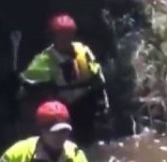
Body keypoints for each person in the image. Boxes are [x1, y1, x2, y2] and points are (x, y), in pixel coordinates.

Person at [20, 13, 110, 145]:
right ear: (53, 37)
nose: (66, 40)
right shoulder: (45, 59)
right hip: (62, 108)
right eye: (61, 36)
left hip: (86, 104)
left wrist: (103, 102)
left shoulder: (82, 51)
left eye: (69, 35)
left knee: (88, 141)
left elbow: (97, 77)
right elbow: (26, 82)